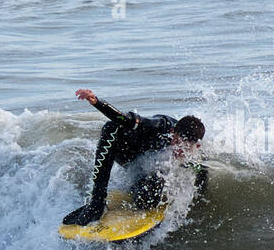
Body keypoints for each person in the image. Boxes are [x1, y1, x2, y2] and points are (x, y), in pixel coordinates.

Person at [61, 89, 206, 226]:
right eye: (177, 142)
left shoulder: (194, 150)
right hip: (124, 149)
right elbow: (126, 119)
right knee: (112, 128)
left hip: (142, 162)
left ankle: (136, 187)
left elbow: (198, 171)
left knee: (147, 201)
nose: (179, 149)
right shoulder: (160, 125)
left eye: (186, 147)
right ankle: (97, 202)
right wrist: (97, 102)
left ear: (197, 145)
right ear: (173, 132)